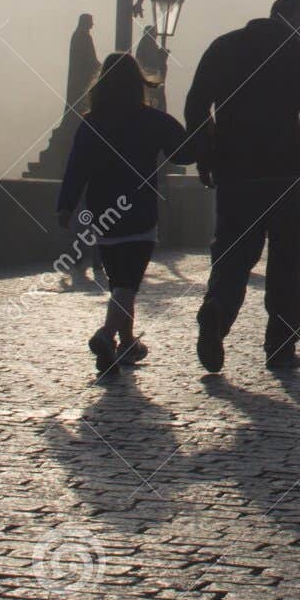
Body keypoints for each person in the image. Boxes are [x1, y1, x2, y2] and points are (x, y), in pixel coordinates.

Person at [185, 0, 300, 373]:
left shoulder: (224, 47)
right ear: (293, 16)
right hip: (284, 172)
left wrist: (205, 153)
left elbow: (196, 105)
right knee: (286, 261)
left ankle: (217, 310)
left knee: (232, 253)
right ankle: (281, 347)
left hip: (235, 171)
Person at [57, 52, 186, 375]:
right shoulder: (152, 120)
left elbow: (76, 167)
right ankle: (106, 335)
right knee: (128, 284)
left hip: (104, 213)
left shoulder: (91, 123)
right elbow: (184, 153)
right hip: (140, 210)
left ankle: (126, 344)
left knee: (120, 283)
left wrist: (66, 205)